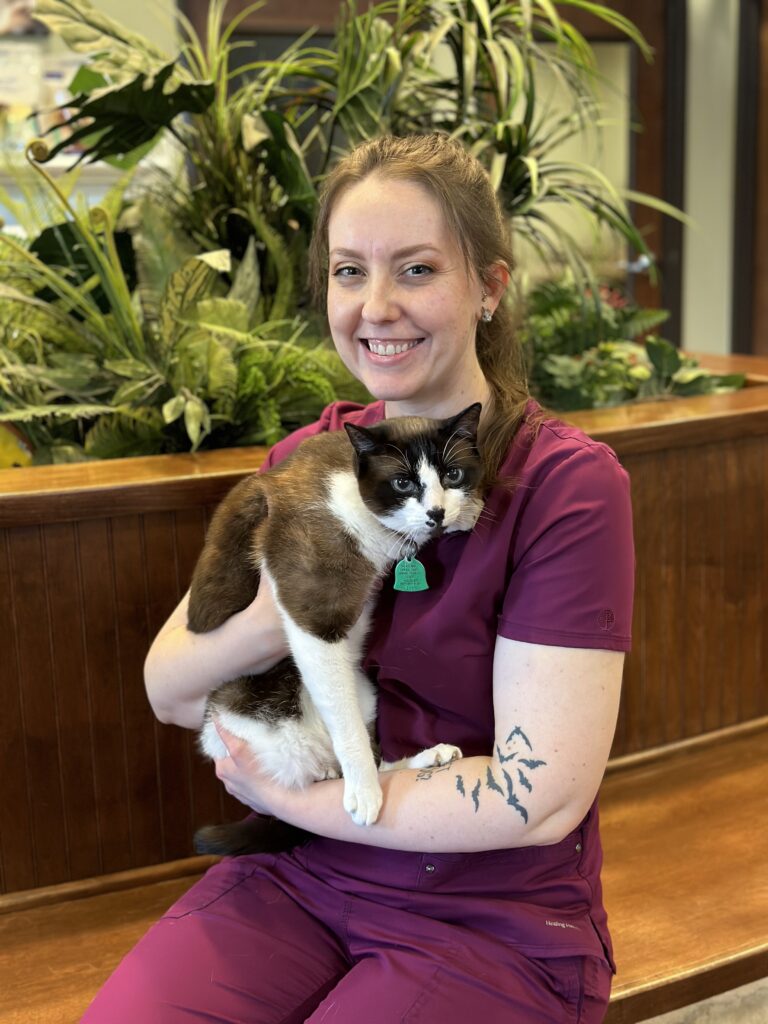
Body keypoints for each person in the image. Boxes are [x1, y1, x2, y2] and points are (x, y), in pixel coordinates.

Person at [83, 133, 634, 1023]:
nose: (376, 307)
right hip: (299, 878)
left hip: (488, 916)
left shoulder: (567, 487)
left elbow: (537, 798)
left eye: (416, 270)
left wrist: (281, 790)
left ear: (489, 288)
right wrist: (281, 617)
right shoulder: (309, 462)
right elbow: (170, 690)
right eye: (348, 272)